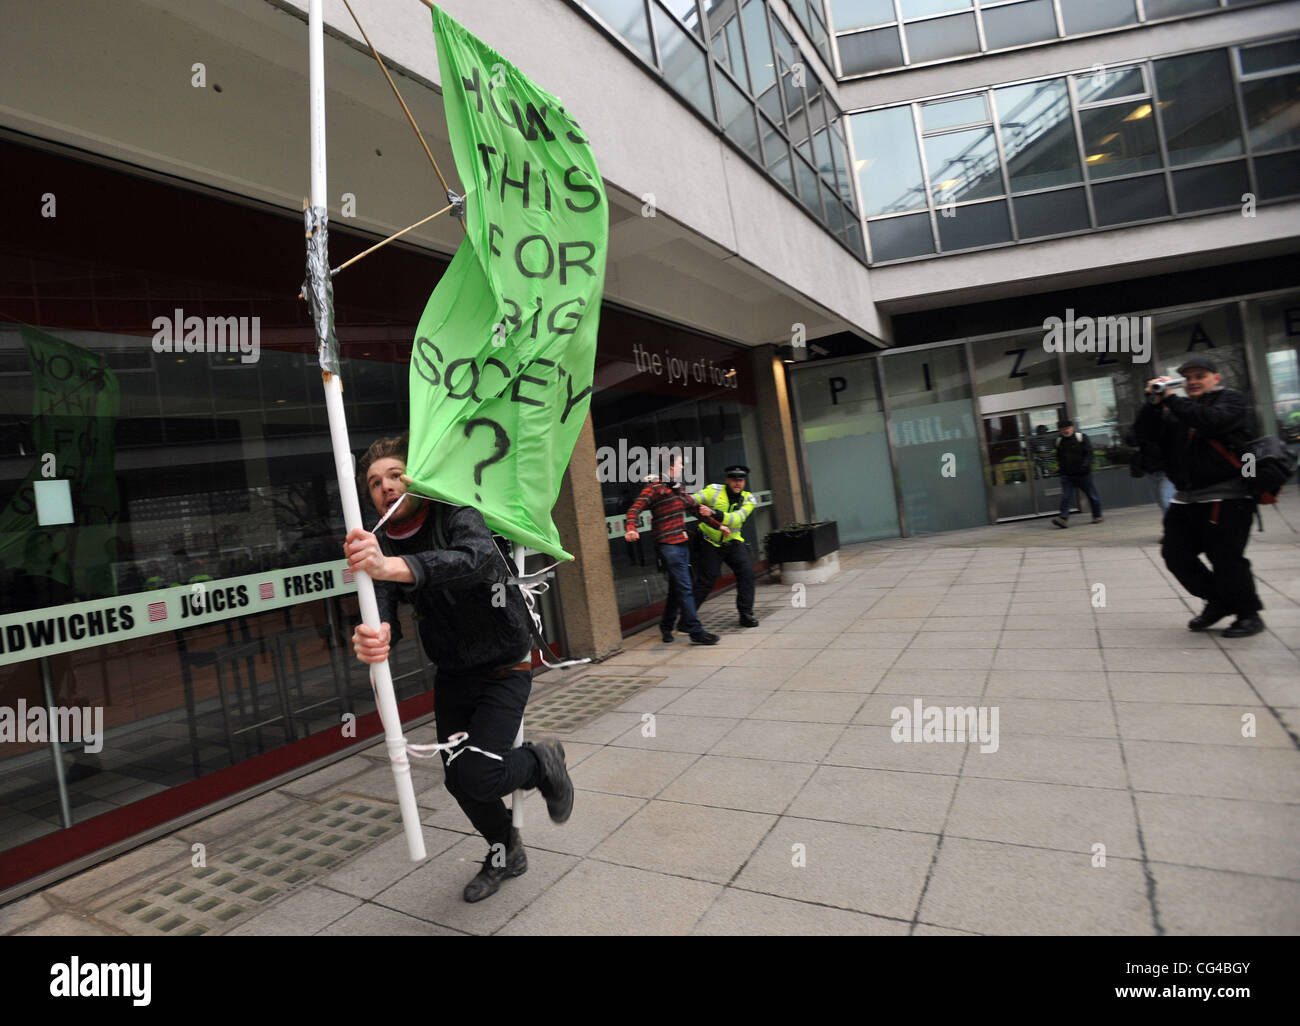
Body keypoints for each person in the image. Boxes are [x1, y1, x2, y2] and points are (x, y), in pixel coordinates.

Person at [344, 433, 574, 903]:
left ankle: (540, 762)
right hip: (452, 671)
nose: (385, 486)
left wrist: (396, 567)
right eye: (373, 482)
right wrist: (375, 634)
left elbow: (478, 561)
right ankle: (504, 852)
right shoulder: (378, 542)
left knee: (480, 774)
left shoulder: (455, 509)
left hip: (504, 663)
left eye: (394, 475)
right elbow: (380, 604)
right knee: (458, 780)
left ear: (416, 476)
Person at [1133, 357, 1265, 637]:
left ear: (1215, 378)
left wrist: (1171, 399)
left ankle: (1248, 614)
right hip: (1186, 499)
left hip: (1227, 497)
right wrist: (1152, 405)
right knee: (1175, 555)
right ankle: (1218, 601)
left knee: (1226, 558)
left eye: (1199, 375)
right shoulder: (1176, 410)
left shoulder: (1231, 401)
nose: (1193, 381)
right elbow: (1143, 435)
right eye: (1187, 377)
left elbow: (1212, 422)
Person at [624, 455, 724, 645]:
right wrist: (631, 528)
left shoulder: (677, 488)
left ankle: (666, 626)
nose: (682, 468)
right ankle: (695, 631)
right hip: (668, 545)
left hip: (681, 543)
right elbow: (634, 510)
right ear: (670, 468)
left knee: (677, 587)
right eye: (679, 465)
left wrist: (719, 526)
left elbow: (694, 509)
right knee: (685, 586)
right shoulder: (655, 488)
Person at [683, 464, 759, 629]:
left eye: (741, 480)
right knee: (706, 581)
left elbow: (736, 519)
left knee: (747, 574)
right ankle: (686, 619)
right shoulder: (714, 491)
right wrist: (686, 501)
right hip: (709, 542)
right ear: (727, 480)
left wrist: (712, 513)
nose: (737, 483)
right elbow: (691, 500)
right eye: (734, 480)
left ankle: (746, 614)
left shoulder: (748, 499)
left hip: (733, 541)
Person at [1051, 419, 1103, 528]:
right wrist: (1060, 469)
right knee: (1066, 497)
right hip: (1067, 475)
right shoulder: (1059, 441)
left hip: (1083, 474)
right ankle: (1063, 519)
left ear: (1072, 428)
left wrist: (1085, 466)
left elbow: (1089, 454)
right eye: (1063, 429)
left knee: (1092, 495)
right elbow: (1059, 457)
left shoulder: (1081, 437)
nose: (1066, 431)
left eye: (1067, 428)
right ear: (1060, 430)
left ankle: (1097, 515)